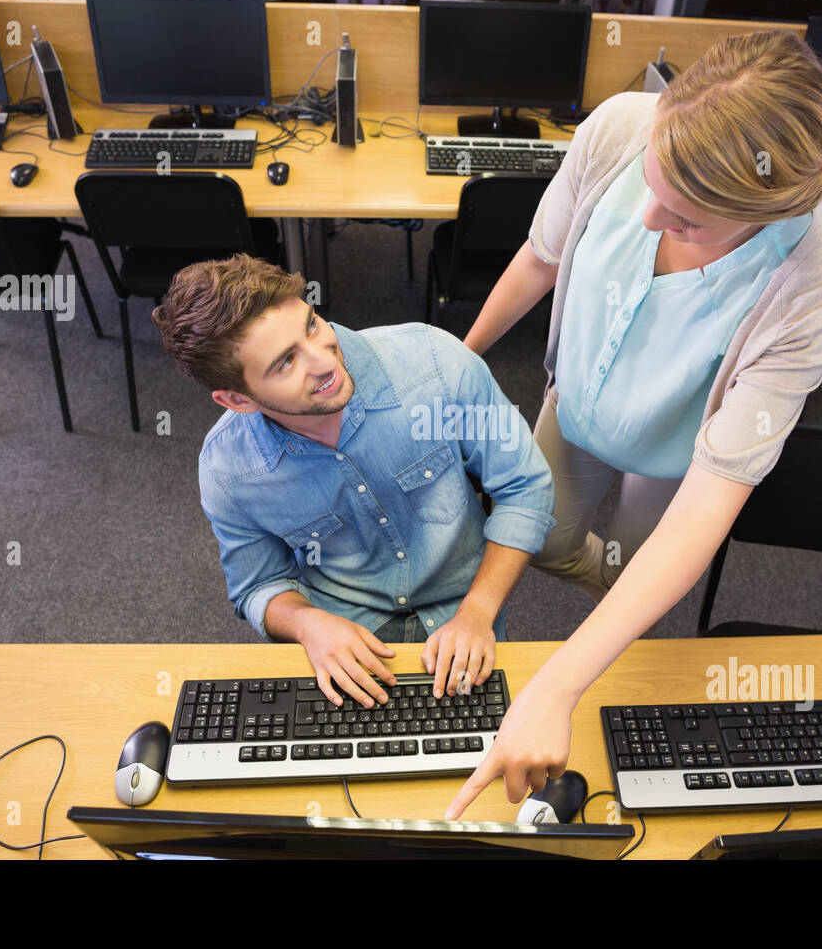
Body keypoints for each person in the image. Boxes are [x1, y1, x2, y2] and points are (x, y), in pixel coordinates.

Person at [446, 30, 822, 817]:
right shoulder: (620, 128)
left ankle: (622, 611)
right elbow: (542, 257)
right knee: (544, 540)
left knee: (642, 573)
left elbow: (709, 504)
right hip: (576, 404)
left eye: (688, 220)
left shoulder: (811, 286)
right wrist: (456, 363)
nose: (646, 215)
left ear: (764, 216)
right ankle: (617, 601)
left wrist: (556, 686)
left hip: (674, 461)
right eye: (653, 180)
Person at [153, 254, 555, 709]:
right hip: (342, 636)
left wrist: (478, 613)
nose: (323, 360)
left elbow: (524, 489)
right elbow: (257, 585)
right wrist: (308, 624)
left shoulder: (437, 365)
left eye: (311, 325)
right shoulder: (227, 469)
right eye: (285, 363)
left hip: (464, 609)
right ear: (237, 399)